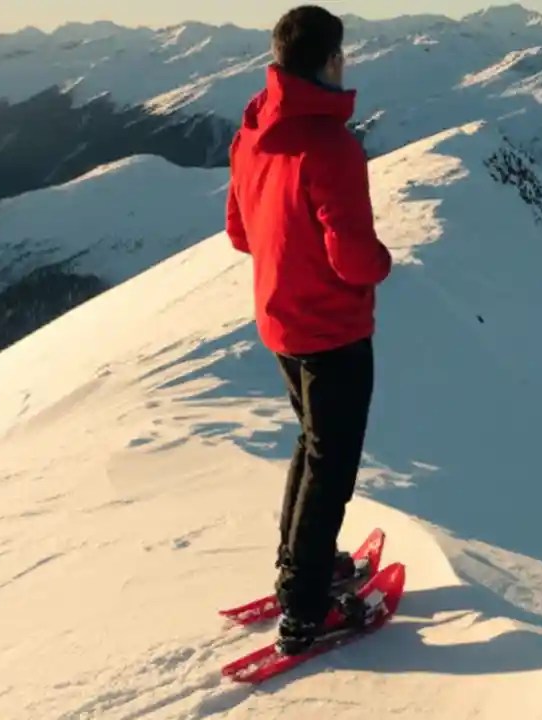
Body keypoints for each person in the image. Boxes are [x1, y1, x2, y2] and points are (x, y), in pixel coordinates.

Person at [225, 5, 392, 655]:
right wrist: (380, 264)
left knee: (313, 447)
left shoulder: (251, 133)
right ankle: (306, 605)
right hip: (333, 329)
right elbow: (353, 255)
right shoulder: (331, 144)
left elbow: (240, 232)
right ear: (329, 61)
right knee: (333, 463)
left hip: (281, 324)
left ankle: (303, 567)